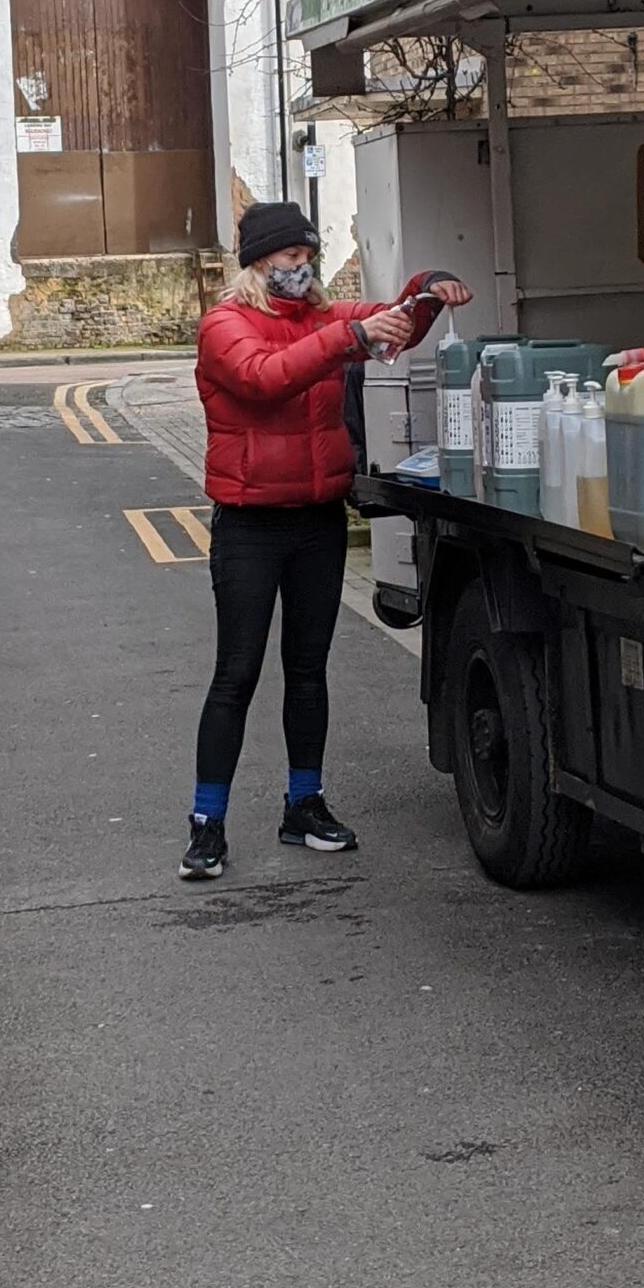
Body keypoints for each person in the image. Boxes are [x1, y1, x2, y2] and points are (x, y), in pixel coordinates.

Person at [180, 200, 472, 882]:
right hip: (250, 526)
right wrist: (352, 338)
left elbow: (392, 317)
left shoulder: (322, 319)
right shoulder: (225, 326)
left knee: (308, 672)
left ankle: (303, 804)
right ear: (258, 262)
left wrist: (428, 289)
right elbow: (263, 379)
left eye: (308, 256)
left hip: (316, 521)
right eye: (289, 257)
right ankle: (206, 823)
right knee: (237, 674)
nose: (301, 267)